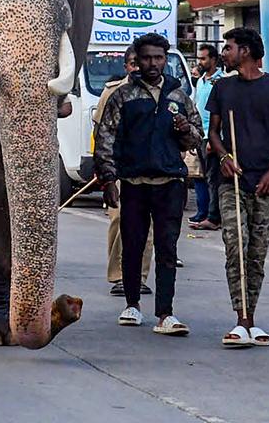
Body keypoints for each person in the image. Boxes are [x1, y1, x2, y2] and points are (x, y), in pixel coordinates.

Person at [94, 33, 203, 336]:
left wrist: (185, 130)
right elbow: (106, 138)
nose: (153, 63)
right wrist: (108, 179)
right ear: (137, 61)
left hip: (170, 183)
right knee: (133, 245)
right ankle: (132, 304)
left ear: (165, 60)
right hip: (133, 182)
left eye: (158, 58)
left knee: (167, 248)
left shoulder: (178, 96)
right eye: (147, 58)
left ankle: (165, 313)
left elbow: (197, 137)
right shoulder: (123, 96)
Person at [206, 27, 269, 349]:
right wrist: (223, 156)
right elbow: (214, 131)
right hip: (232, 181)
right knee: (236, 246)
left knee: (256, 254)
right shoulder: (222, 87)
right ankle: (241, 319)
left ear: (244, 51)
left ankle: (251, 318)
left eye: (228, 48)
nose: (224, 53)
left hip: (265, 182)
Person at [95, 47, 152, 297]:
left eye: (141, 62)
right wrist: (102, 169)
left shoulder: (161, 92)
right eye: (132, 63)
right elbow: (100, 133)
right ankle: (119, 275)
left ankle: (139, 277)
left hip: (150, 168)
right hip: (119, 169)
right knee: (120, 220)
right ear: (126, 66)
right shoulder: (112, 92)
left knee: (147, 225)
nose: (137, 68)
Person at [188, 44, 225, 231]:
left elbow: (220, 112)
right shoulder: (201, 81)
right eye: (199, 58)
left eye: (203, 58)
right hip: (200, 134)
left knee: (213, 178)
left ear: (213, 60)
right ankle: (204, 212)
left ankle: (213, 217)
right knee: (201, 176)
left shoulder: (221, 81)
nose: (200, 62)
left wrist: (213, 138)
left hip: (213, 136)